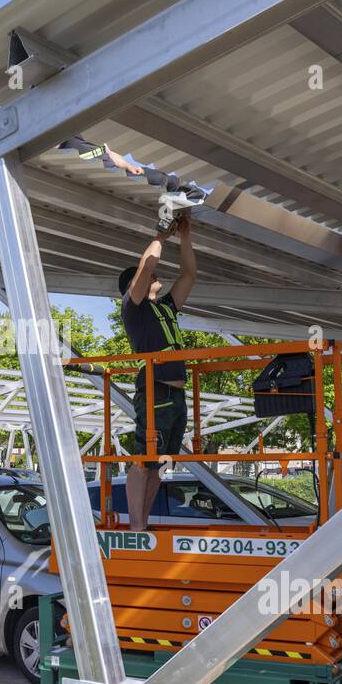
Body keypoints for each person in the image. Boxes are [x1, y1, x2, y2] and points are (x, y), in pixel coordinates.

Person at [119, 208, 196, 529]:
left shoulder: (165, 307)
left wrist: (185, 236)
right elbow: (146, 266)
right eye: (148, 278)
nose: (155, 276)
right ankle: (137, 525)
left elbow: (188, 275)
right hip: (155, 391)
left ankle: (142, 522)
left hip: (175, 394)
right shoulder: (134, 309)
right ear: (133, 286)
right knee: (144, 459)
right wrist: (161, 236)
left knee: (159, 462)